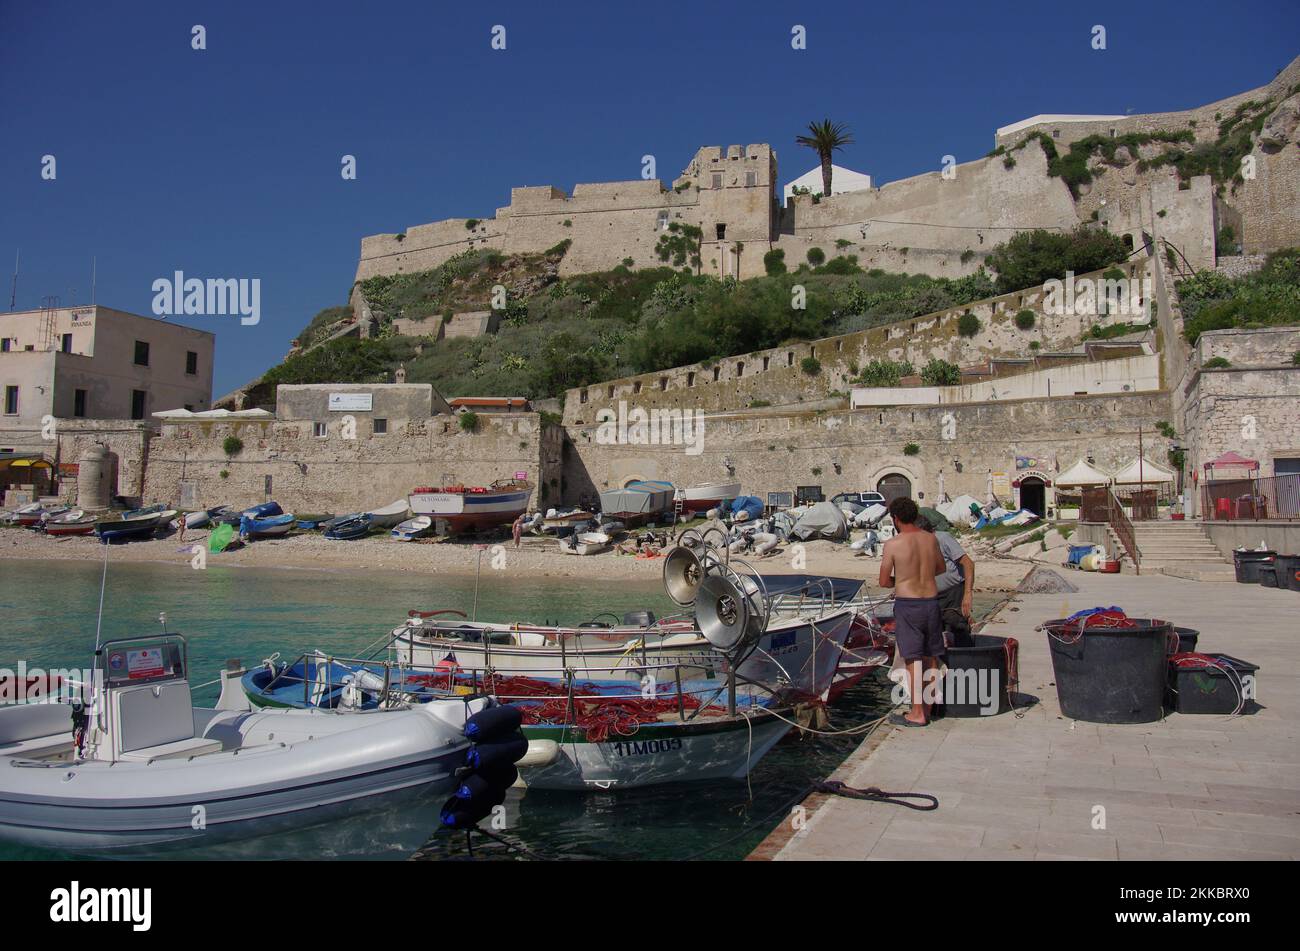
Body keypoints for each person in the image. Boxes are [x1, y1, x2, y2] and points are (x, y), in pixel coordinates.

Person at [879, 497, 946, 726]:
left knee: (912, 659)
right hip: (931, 603)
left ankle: (917, 713)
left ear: (895, 519)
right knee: (930, 657)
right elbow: (940, 568)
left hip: (909, 605)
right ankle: (928, 707)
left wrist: (903, 579)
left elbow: (884, 580)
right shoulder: (931, 539)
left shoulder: (893, 544)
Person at [916, 515, 975, 648]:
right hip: (933, 597)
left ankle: (964, 660)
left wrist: (967, 594)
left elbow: (968, 563)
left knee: (958, 629)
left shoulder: (943, 538)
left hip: (954, 593)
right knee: (935, 634)